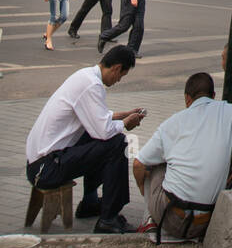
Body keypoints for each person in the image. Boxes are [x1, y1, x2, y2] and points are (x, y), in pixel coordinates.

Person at [132, 72, 232, 243]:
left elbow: (138, 164)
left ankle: (149, 220)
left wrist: (143, 189)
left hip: (171, 219)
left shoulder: (173, 123)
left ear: (187, 98)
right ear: (213, 95)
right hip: (206, 221)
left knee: (154, 164)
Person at [25, 45, 143, 233]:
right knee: (117, 143)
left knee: (96, 137)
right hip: (45, 170)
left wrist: (124, 115)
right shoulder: (92, 85)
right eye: (121, 76)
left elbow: (97, 117)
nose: (119, 80)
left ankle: (90, 202)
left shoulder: (85, 76)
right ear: (116, 68)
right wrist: (126, 123)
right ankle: (109, 219)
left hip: (40, 163)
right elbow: (104, 131)